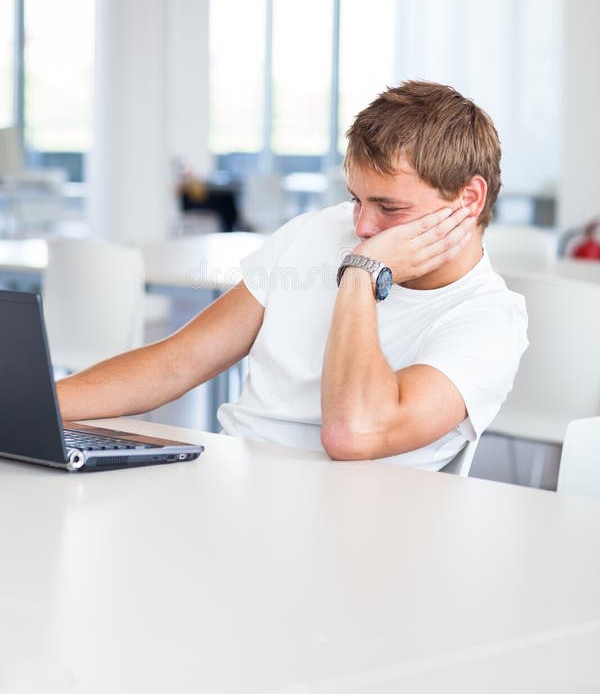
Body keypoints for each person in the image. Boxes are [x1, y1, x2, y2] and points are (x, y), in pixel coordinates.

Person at [57, 81, 528, 470]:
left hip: (355, 533)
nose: (362, 226)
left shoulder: (489, 320)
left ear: (469, 199)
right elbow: (175, 363)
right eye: (356, 199)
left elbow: (352, 433)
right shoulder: (319, 231)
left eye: (389, 207)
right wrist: (32, 403)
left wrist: (361, 275)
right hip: (234, 490)